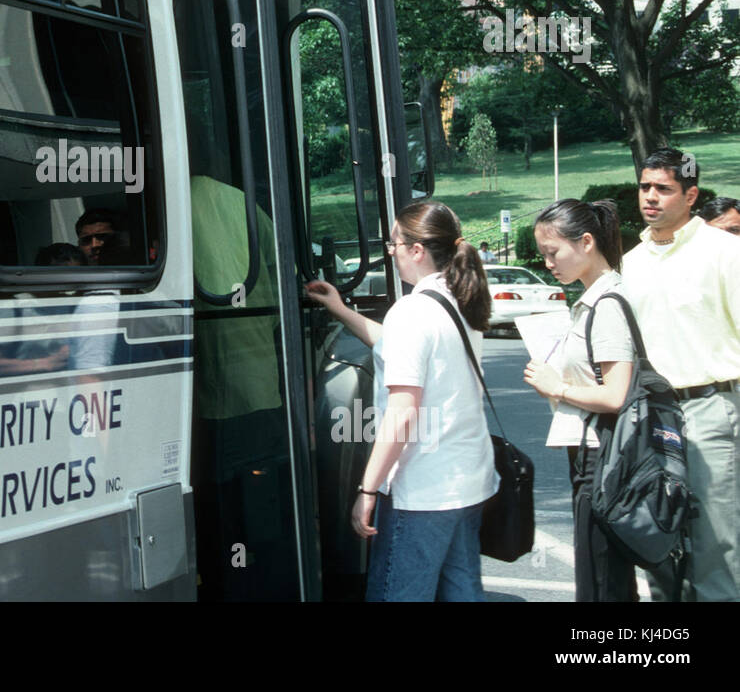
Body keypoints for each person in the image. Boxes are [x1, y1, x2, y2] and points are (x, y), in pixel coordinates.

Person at [306, 200, 497, 601]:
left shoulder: (412, 312)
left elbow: (402, 415)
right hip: (469, 482)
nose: (390, 252)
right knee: (462, 592)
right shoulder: (462, 302)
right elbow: (398, 347)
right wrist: (341, 309)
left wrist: (368, 490)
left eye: (394, 243)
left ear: (417, 250)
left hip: (422, 492)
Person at [621, 149, 740, 601]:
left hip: (712, 409)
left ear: (690, 195)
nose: (650, 197)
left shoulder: (726, 252)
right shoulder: (631, 262)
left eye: (663, 189)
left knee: (715, 544)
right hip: (653, 415)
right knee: (659, 539)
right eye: (645, 186)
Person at [521, 199, 637, 601]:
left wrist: (559, 387)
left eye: (553, 253)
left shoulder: (606, 305)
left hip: (603, 454)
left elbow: (615, 394)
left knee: (601, 582)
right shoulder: (596, 298)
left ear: (586, 242)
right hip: (595, 449)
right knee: (607, 578)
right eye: (543, 256)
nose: (548, 263)